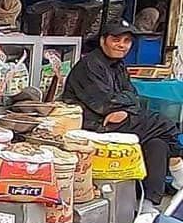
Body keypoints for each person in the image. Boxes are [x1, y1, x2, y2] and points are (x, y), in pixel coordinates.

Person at [63, 18, 183, 211]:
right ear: (103, 40)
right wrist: (120, 107)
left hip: (116, 120)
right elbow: (105, 103)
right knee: (163, 123)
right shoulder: (90, 65)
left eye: (126, 41)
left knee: (157, 143)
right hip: (93, 125)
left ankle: (148, 205)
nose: (122, 45)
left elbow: (132, 97)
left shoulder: (118, 65)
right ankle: (179, 171)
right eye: (116, 39)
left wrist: (124, 109)